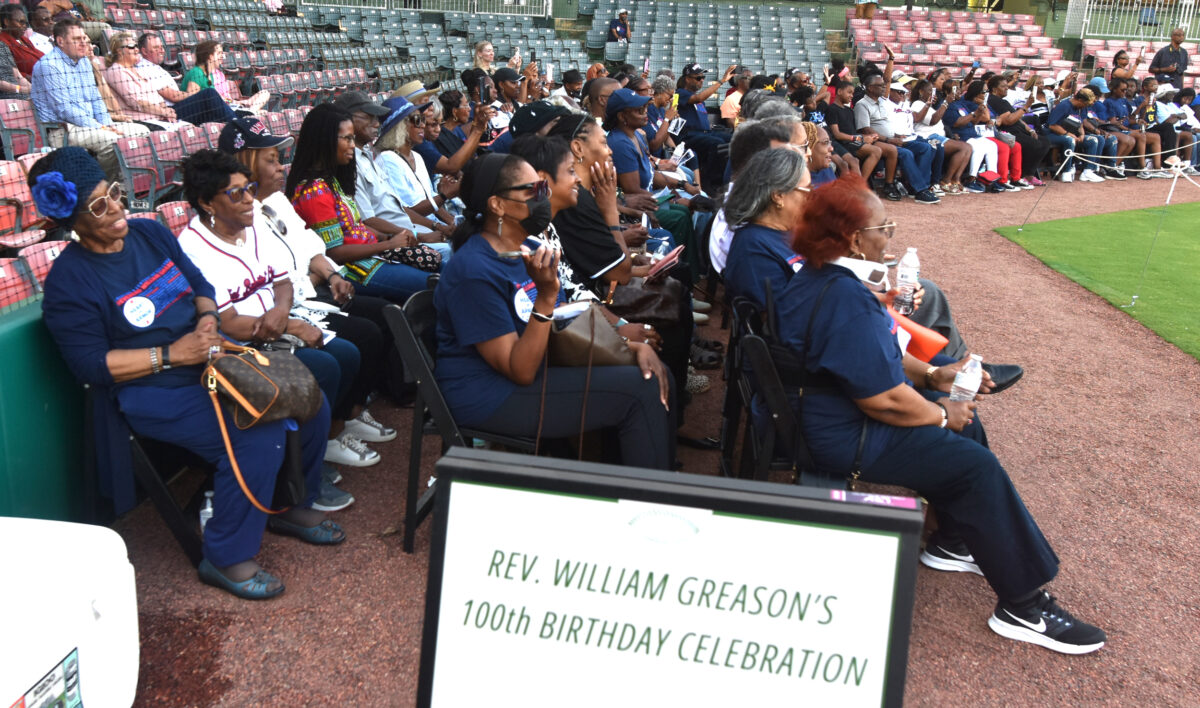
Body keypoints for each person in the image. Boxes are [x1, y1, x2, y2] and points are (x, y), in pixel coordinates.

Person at [777, 173, 1106, 655]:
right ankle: (1023, 606)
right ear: (853, 239)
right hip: (843, 433)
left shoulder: (818, 276)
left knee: (967, 429)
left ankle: (952, 540)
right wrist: (939, 416)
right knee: (976, 467)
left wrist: (935, 378)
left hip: (826, 412)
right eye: (884, 227)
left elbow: (878, 355)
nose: (888, 235)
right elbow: (882, 398)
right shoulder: (844, 297)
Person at [36, 146, 342, 601]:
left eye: (116, 194)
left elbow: (199, 284)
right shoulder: (69, 281)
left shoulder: (148, 233)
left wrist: (206, 319)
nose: (118, 207)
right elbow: (91, 366)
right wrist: (172, 355)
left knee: (305, 395)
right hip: (149, 388)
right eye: (100, 205)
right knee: (256, 433)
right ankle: (224, 556)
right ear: (72, 218)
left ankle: (289, 504)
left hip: (212, 356)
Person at [434, 153, 674, 470]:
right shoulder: (474, 270)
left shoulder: (529, 247)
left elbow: (562, 328)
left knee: (652, 369)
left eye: (544, 188)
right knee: (642, 389)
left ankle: (623, 485)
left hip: (536, 369)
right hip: (489, 394)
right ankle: (649, 504)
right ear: (498, 205)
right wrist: (546, 296)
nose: (542, 198)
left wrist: (627, 346)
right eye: (533, 191)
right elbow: (519, 369)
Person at [176, 150, 377, 479]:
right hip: (241, 345)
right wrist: (292, 325)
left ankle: (323, 441)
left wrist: (284, 313)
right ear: (208, 203)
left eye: (249, 189)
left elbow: (282, 281)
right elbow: (227, 322)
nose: (247, 200)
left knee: (349, 353)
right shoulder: (193, 247)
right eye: (235, 193)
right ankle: (296, 464)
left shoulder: (250, 223)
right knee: (325, 367)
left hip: (279, 324)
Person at [288, 103, 433, 303]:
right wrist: (389, 244)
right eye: (347, 139)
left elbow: (355, 227)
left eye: (353, 138)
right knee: (435, 284)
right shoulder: (314, 192)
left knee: (438, 266)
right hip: (354, 269)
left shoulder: (332, 181)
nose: (351, 145)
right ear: (325, 140)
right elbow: (334, 253)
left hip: (372, 257)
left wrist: (389, 236)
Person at [31, 18, 149, 182]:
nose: (83, 43)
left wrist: (107, 123)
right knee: (112, 141)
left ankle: (124, 187)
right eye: (76, 40)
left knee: (142, 132)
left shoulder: (84, 62)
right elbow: (64, 110)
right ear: (60, 41)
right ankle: (101, 185)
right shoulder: (49, 65)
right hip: (62, 129)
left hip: (90, 124)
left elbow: (96, 98)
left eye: (84, 38)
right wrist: (100, 127)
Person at [374, 96, 457, 258]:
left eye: (423, 120)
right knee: (452, 252)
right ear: (401, 126)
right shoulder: (387, 159)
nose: (423, 125)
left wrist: (451, 223)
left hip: (433, 227)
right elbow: (406, 211)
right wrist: (445, 197)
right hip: (411, 231)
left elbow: (431, 200)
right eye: (417, 120)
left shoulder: (417, 157)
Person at [855, 74, 940, 204]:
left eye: (883, 85)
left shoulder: (882, 103)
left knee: (925, 148)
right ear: (870, 88)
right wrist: (889, 140)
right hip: (878, 141)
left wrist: (895, 136)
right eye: (879, 86)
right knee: (906, 154)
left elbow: (885, 124)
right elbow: (865, 130)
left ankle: (916, 187)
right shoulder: (862, 104)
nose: (883, 88)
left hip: (893, 138)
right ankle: (920, 190)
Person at [134, 33, 236, 125]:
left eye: (162, 47)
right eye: (156, 47)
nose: (162, 50)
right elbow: (172, 96)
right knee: (209, 94)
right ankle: (239, 126)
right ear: (144, 51)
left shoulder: (156, 67)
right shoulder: (145, 68)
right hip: (170, 111)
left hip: (176, 108)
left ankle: (239, 123)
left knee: (216, 112)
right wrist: (199, 95)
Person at [103, 31, 183, 130]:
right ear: (120, 51)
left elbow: (157, 96)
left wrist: (167, 110)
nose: (136, 49)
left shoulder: (138, 70)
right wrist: (163, 112)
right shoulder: (116, 71)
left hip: (158, 118)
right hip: (139, 122)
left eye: (136, 46)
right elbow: (136, 102)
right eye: (132, 46)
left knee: (189, 128)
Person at [674, 63, 736, 190]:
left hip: (704, 133)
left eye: (703, 78)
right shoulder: (680, 93)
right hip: (688, 135)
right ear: (687, 79)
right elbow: (698, 98)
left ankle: (731, 178)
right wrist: (722, 81)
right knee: (716, 143)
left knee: (734, 138)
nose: (702, 80)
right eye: (698, 78)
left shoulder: (697, 98)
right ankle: (712, 184)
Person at [987, 74, 1050, 186]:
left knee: (1045, 142)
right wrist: (1026, 106)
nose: (1007, 88)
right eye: (1003, 86)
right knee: (1033, 145)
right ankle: (1022, 175)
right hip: (1008, 131)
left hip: (1019, 128)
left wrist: (1030, 130)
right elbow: (1009, 120)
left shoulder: (1003, 101)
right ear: (994, 89)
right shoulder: (995, 101)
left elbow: (1018, 118)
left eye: (1007, 86)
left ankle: (1030, 174)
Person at [180, 40, 269, 114]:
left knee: (265, 93)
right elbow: (194, 99)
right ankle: (251, 112)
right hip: (217, 109)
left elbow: (224, 97)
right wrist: (234, 103)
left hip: (229, 104)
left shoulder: (218, 74)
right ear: (210, 56)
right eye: (219, 53)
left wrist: (237, 102)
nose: (222, 56)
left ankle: (251, 111)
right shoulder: (197, 73)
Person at [0, 4, 40, 79]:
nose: (24, 25)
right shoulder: (2, 43)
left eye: (25, 23)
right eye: (21, 22)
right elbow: (8, 72)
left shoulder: (24, 39)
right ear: (6, 22)